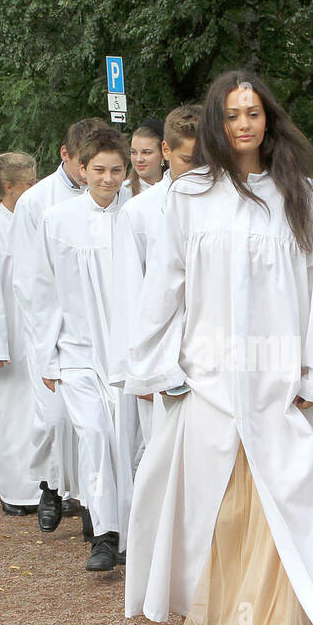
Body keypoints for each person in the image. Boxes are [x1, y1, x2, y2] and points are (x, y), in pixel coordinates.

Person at [124, 69, 313, 625]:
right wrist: (156, 364)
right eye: (233, 114)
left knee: (282, 505)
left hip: (278, 379)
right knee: (224, 505)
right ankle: (224, 620)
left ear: (270, 119)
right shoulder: (188, 197)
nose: (243, 124)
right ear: (217, 121)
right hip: (211, 377)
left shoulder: (308, 196)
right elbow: (166, 286)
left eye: (254, 113)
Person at [33, 126, 132, 572]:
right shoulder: (57, 220)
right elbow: (43, 291)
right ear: (81, 168)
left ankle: (128, 530)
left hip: (127, 353)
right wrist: (47, 356)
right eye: (99, 170)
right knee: (93, 434)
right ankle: (104, 533)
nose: (108, 179)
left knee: (127, 440)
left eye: (116, 170)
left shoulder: (140, 215)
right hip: (76, 350)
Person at [10, 117, 111, 532]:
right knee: (53, 419)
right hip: (50, 330)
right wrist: (44, 341)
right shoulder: (37, 202)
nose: (94, 172)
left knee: (96, 424)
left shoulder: (114, 197)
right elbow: (28, 277)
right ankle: (51, 485)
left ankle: (94, 507)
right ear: (67, 157)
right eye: (85, 163)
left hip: (97, 332)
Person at [0, 152, 66, 515]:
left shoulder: (39, 220)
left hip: (38, 332)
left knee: (45, 412)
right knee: (10, 414)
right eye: (29, 182)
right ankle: (17, 490)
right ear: (8, 187)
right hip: (9, 341)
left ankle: (52, 484)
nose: (36, 188)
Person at [110, 104, 203, 468]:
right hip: (163, 359)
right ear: (166, 152)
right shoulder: (140, 212)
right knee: (164, 462)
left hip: (212, 353)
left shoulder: (225, 203)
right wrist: (142, 371)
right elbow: (130, 295)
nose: (198, 170)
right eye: (187, 160)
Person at [126, 119, 164, 197]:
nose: (139, 159)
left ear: (163, 154)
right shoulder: (123, 192)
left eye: (146, 152)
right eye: (133, 152)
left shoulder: (176, 190)